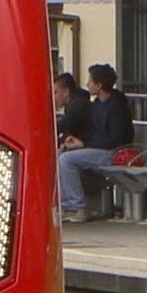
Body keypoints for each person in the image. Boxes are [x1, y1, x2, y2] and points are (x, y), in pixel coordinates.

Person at [58, 62, 135, 223]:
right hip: (100, 149)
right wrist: (78, 142)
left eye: (91, 81)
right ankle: (67, 205)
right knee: (64, 154)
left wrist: (84, 145)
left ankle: (76, 206)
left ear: (99, 85)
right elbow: (93, 132)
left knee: (66, 160)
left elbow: (115, 139)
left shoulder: (116, 107)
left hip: (115, 152)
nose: (87, 84)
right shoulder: (98, 105)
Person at [54, 71, 91, 147]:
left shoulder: (77, 105)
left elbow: (65, 125)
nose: (53, 97)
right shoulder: (73, 103)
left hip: (87, 145)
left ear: (66, 92)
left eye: (55, 92)